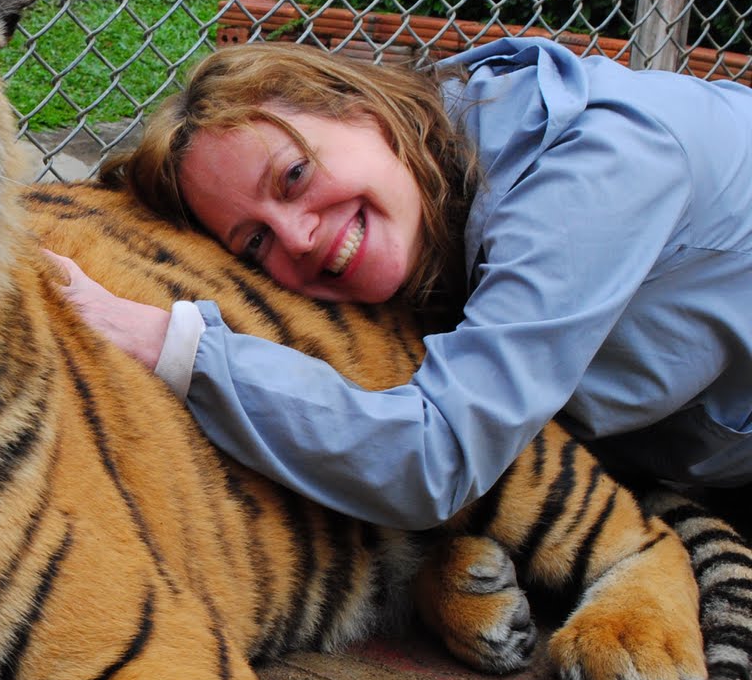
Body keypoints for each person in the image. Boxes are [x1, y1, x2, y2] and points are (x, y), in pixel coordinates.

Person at [47, 38, 752, 532]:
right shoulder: (447, 180)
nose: (298, 238)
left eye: (293, 176)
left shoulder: (588, 173)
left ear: (362, 109)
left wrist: (173, 346)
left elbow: (435, 458)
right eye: (254, 243)